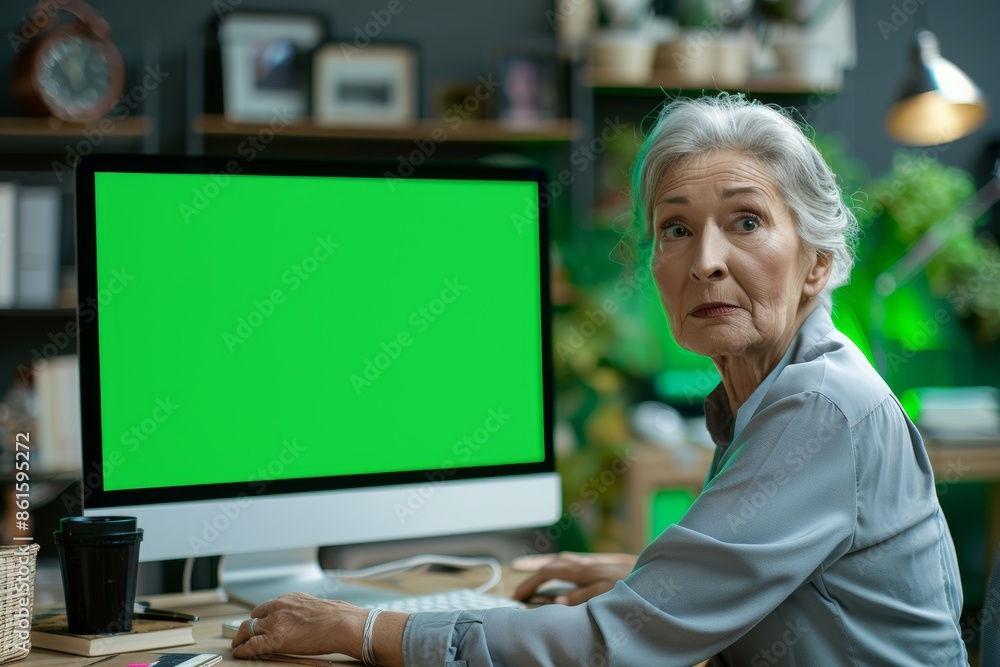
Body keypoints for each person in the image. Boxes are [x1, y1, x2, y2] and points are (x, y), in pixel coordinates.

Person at [230, 94, 968, 665]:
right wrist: (645, 577)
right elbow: (794, 588)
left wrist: (363, 630)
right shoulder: (774, 391)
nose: (705, 260)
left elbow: (610, 647)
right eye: (676, 229)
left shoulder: (820, 407)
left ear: (816, 262)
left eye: (746, 221)